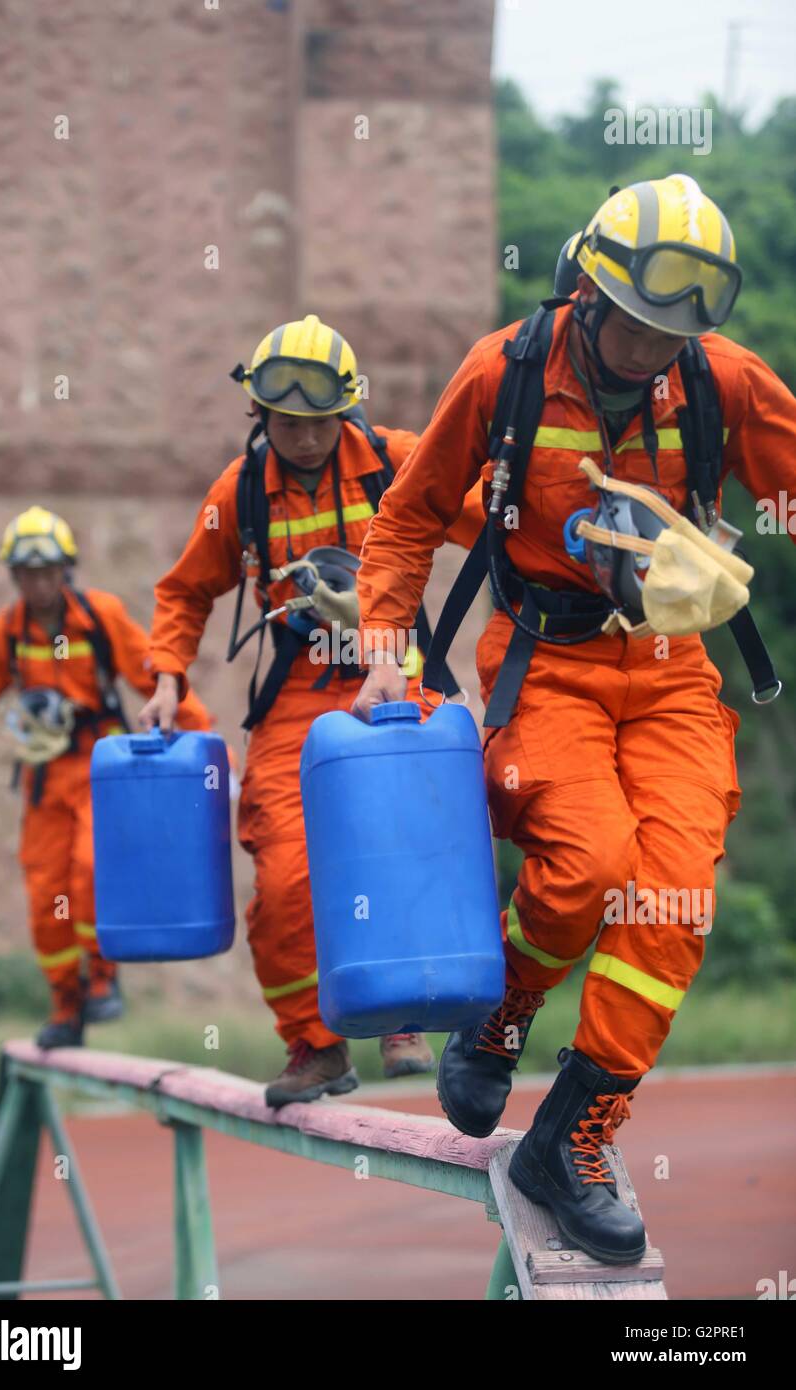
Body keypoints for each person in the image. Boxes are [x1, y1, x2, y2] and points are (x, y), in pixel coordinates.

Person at [351, 174, 796, 1263]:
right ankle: (497, 1018)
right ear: (586, 292)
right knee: (588, 860)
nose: (650, 354)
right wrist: (377, 648)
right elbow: (408, 518)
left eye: (672, 336)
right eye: (636, 328)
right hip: (541, 661)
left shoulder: (717, 380)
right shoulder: (502, 372)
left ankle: (575, 1131)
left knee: (675, 893)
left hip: (670, 669)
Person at [141, 314, 484, 1106]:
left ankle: (409, 1009)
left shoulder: (397, 462)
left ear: (346, 410)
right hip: (298, 695)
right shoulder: (239, 495)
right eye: (286, 421)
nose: (302, 436)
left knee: (415, 844)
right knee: (285, 877)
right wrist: (166, 677)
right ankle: (317, 1044)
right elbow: (184, 590)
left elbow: (500, 531)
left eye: (317, 421)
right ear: (260, 416)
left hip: (390, 678)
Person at [0, 506, 212, 1048]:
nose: (39, 583)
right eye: (28, 574)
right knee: (46, 895)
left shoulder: (99, 617)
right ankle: (68, 1004)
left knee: (90, 872)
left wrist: (204, 740)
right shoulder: (7, 634)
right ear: (15, 578)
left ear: (66, 570)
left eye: (48, 571)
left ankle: (103, 980)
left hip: (101, 771)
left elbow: (153, 676)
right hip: (44, 778)